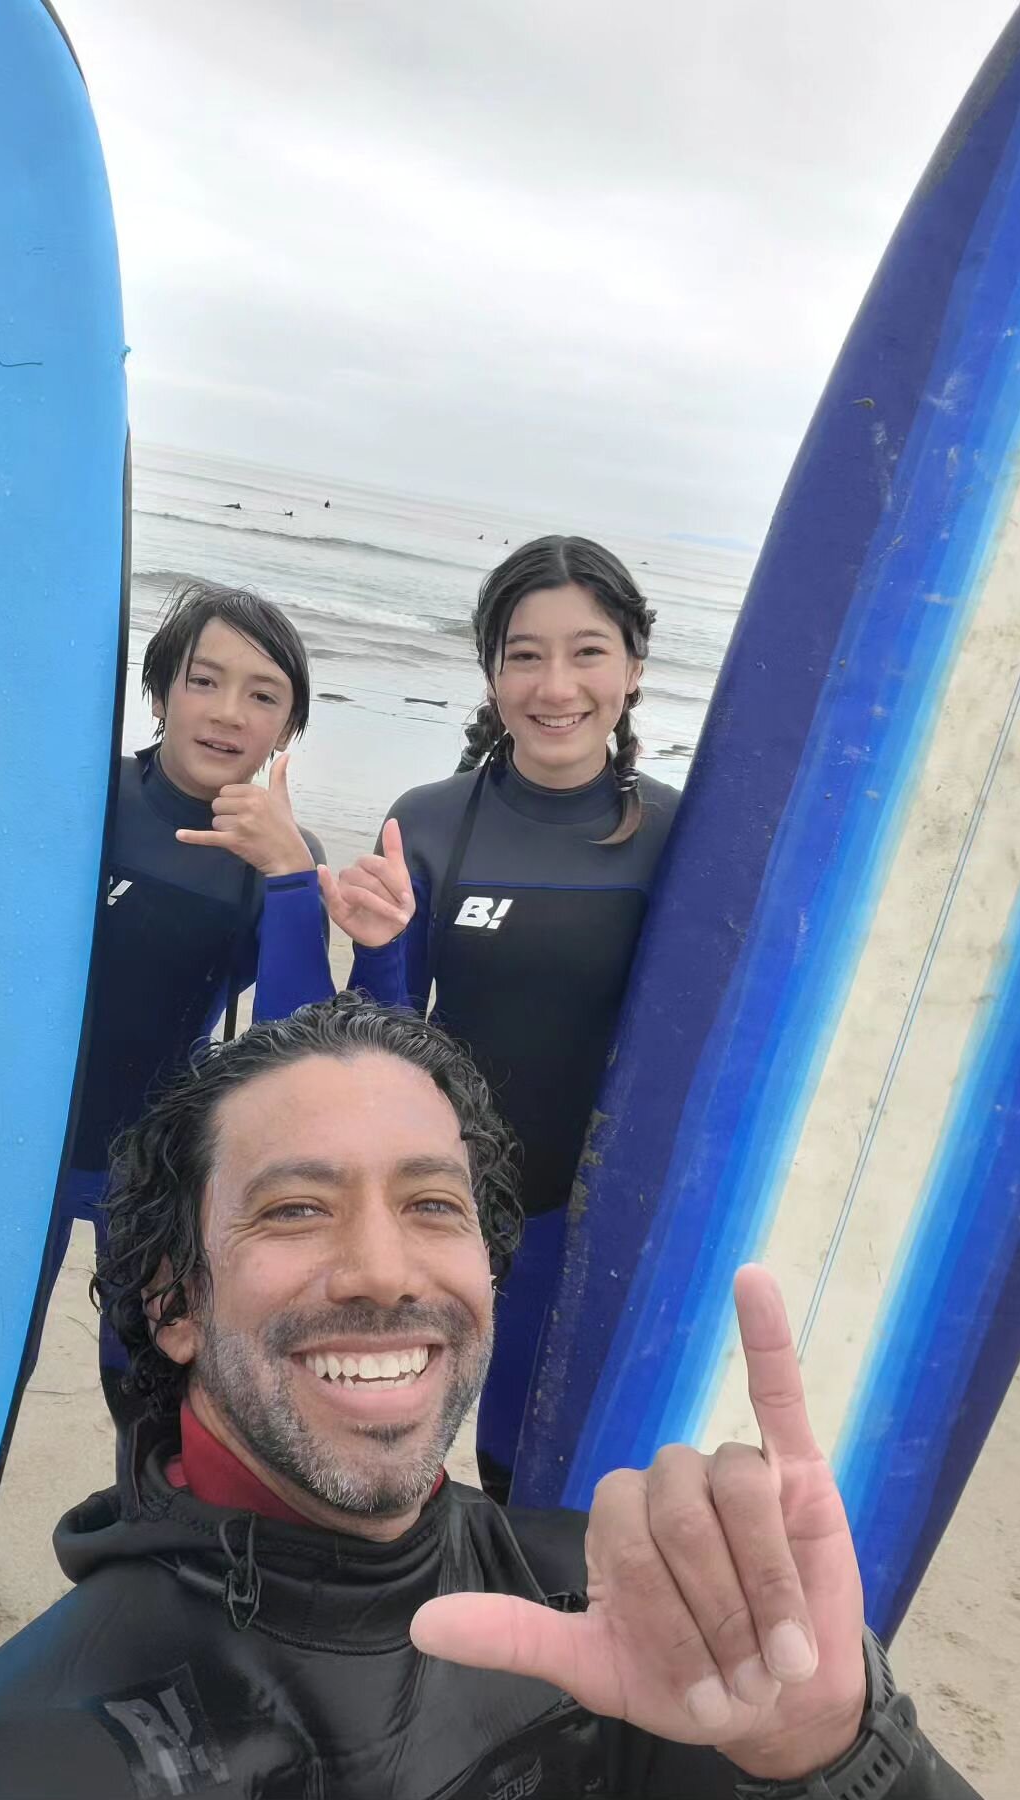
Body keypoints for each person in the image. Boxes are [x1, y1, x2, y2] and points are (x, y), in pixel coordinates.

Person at [0, 996, 978, 1800]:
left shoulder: (607, 1612)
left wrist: (837, 1748)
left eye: (434, 1207)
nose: (385, 1271)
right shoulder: (57, 1751)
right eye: (297, 1210)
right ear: (174, 1298)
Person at [319, 535, 678, 1500]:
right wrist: (378, 945)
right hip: (439, 1204)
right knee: (392, 1438)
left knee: (526, 1456)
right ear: (490, 672)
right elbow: (382, 1042)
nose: (555, 684)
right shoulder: (429, 822)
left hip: (586, 1218)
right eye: (525, 653)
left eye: (588, 650)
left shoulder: (686, 836)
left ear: (635, 667)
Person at [37, 577, 331, 1430]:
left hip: (153, 1165)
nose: (228, 711)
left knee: (150, 1393)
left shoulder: (281, 855)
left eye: (262, 694)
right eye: (204, 679)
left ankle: (150, 1550)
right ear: (161, 690)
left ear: (288, 728)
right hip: (21, 1153)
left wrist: (289, 879)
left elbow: (296, 1044)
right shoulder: (84, 799)